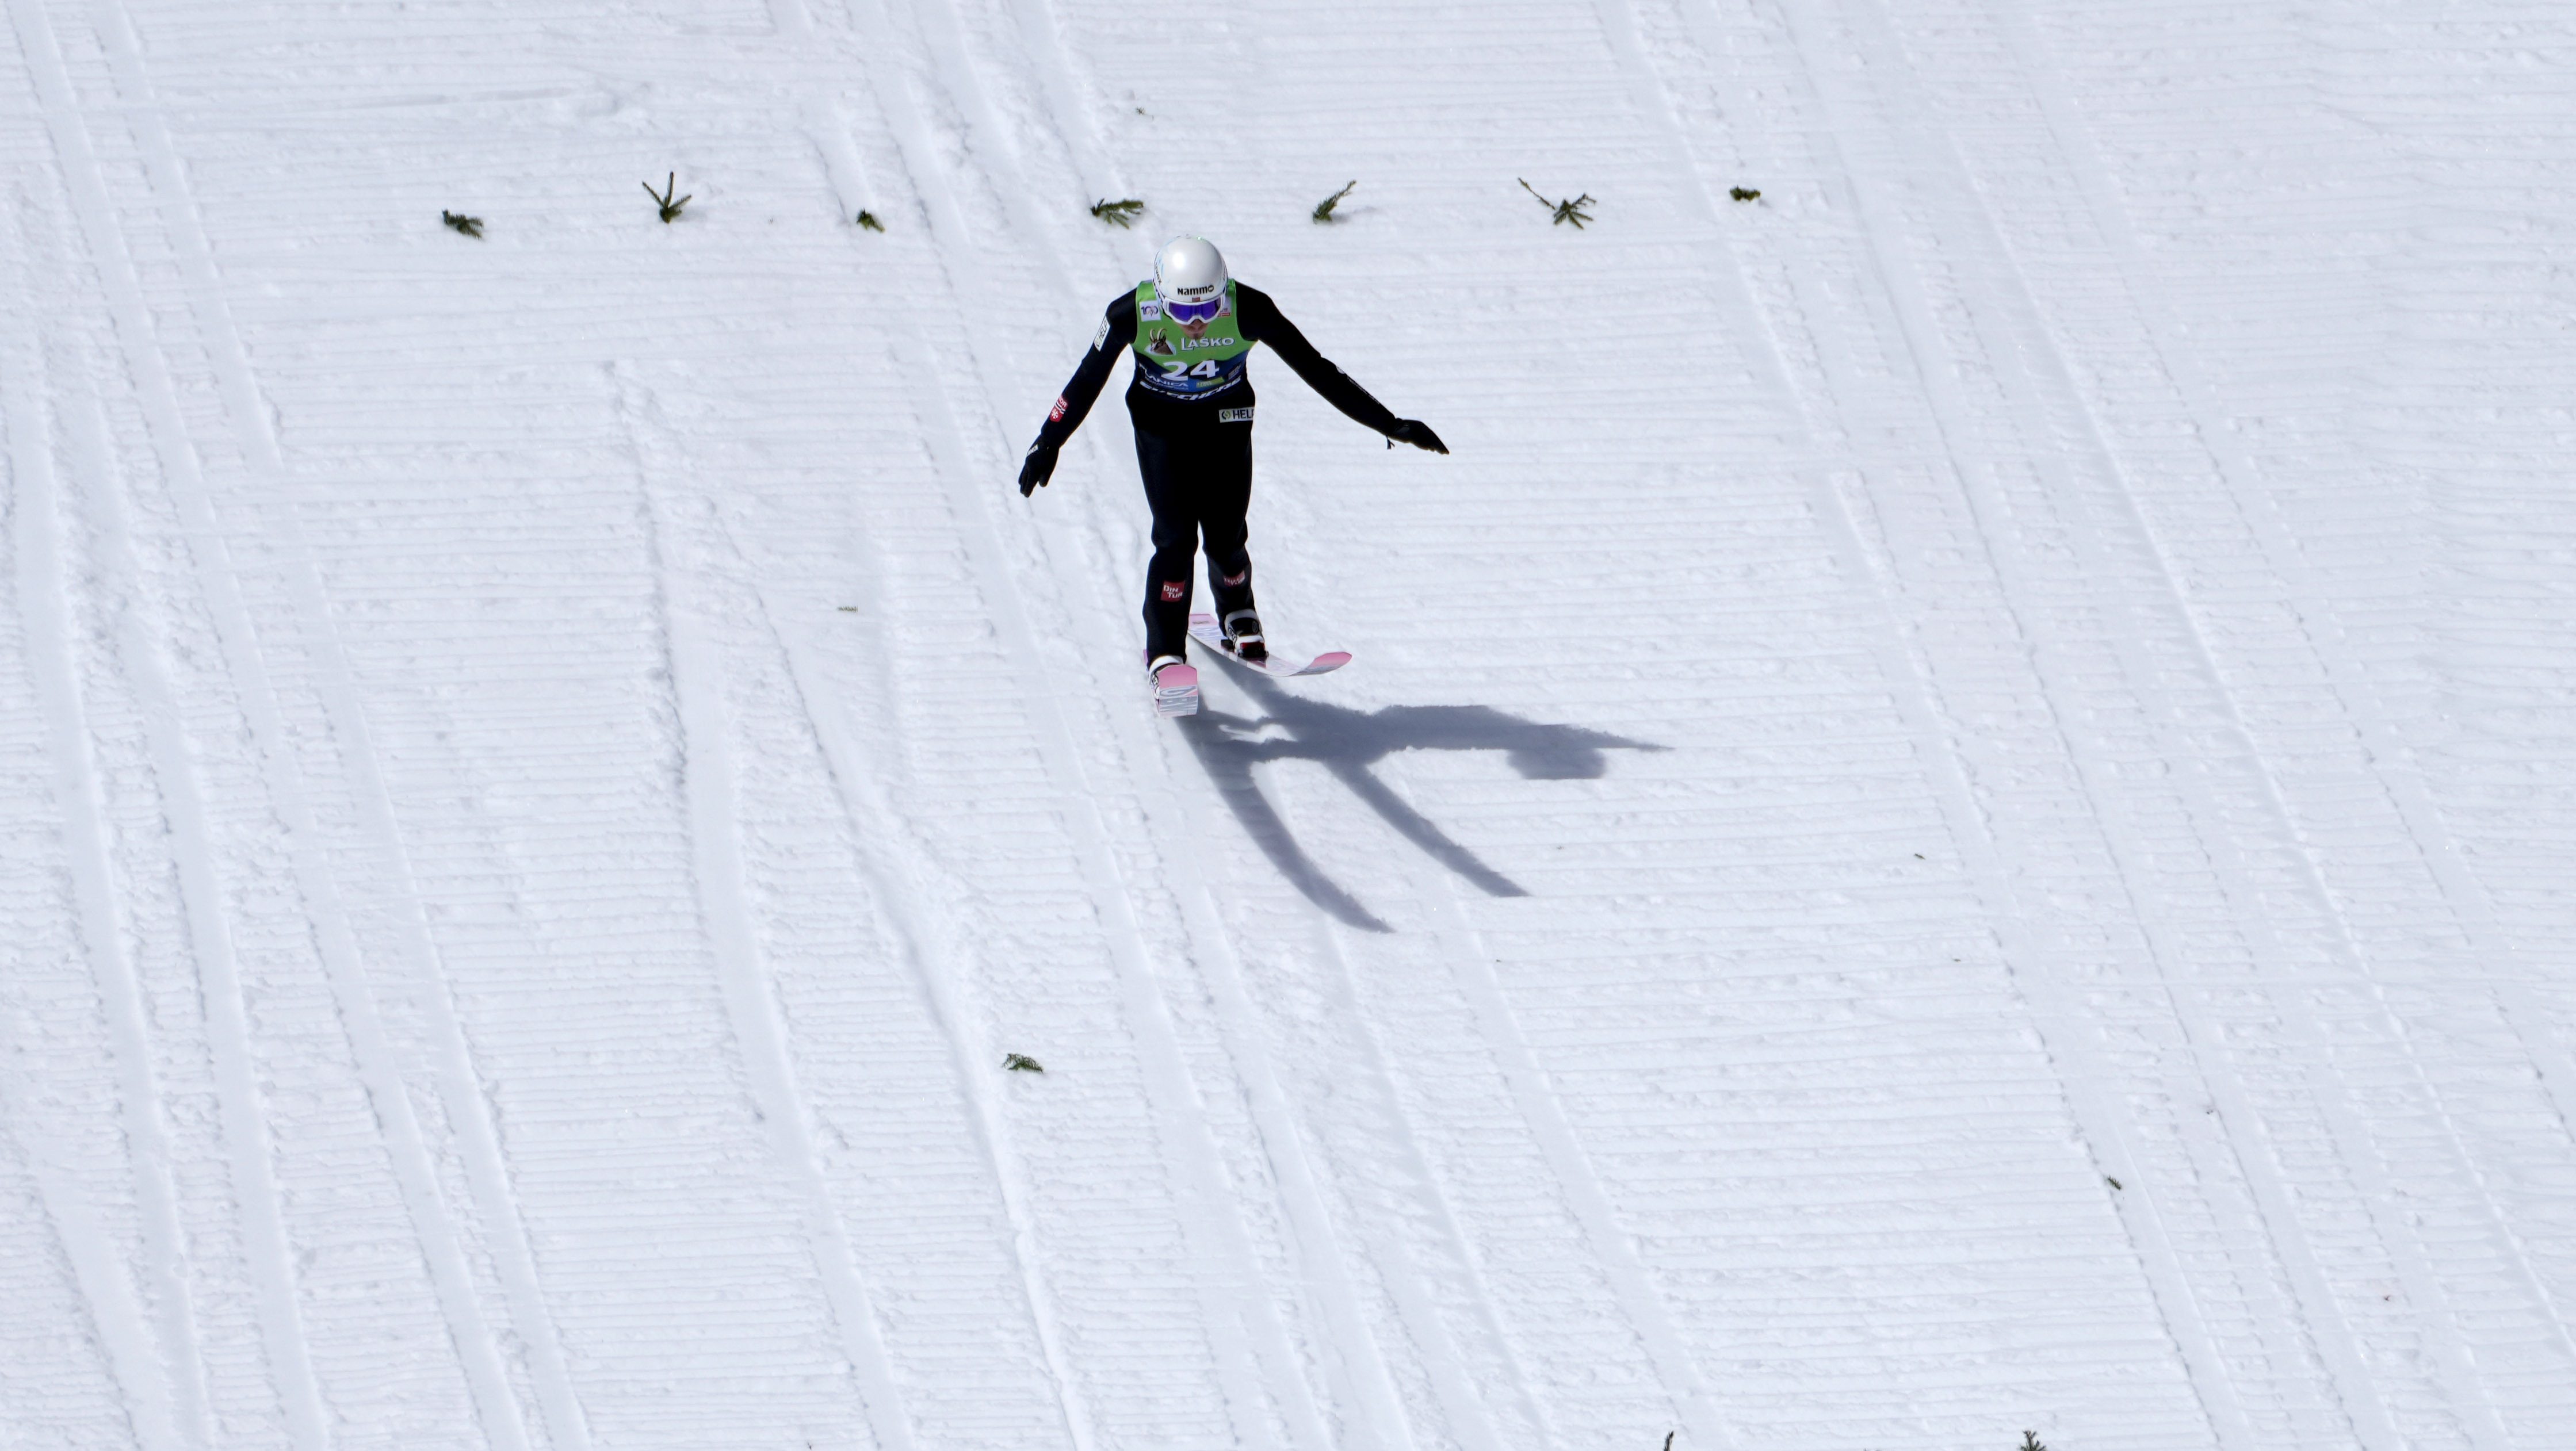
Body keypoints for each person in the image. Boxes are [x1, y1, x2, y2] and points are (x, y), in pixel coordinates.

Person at [1018, 235, 1447, 711]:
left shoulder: (1250, 309)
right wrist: (1048, 440)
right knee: (1176, 539)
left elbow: (1319, 370)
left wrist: (1388, 423)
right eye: (1183, 315)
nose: (1198, 325)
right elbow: (1086, 378)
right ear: (1162, 299)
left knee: (1226, 534)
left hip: (1226, 422)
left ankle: (1238, 609)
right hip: (1162, 428)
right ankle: (1164, 652)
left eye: (1208, 310)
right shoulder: (1131, 313)